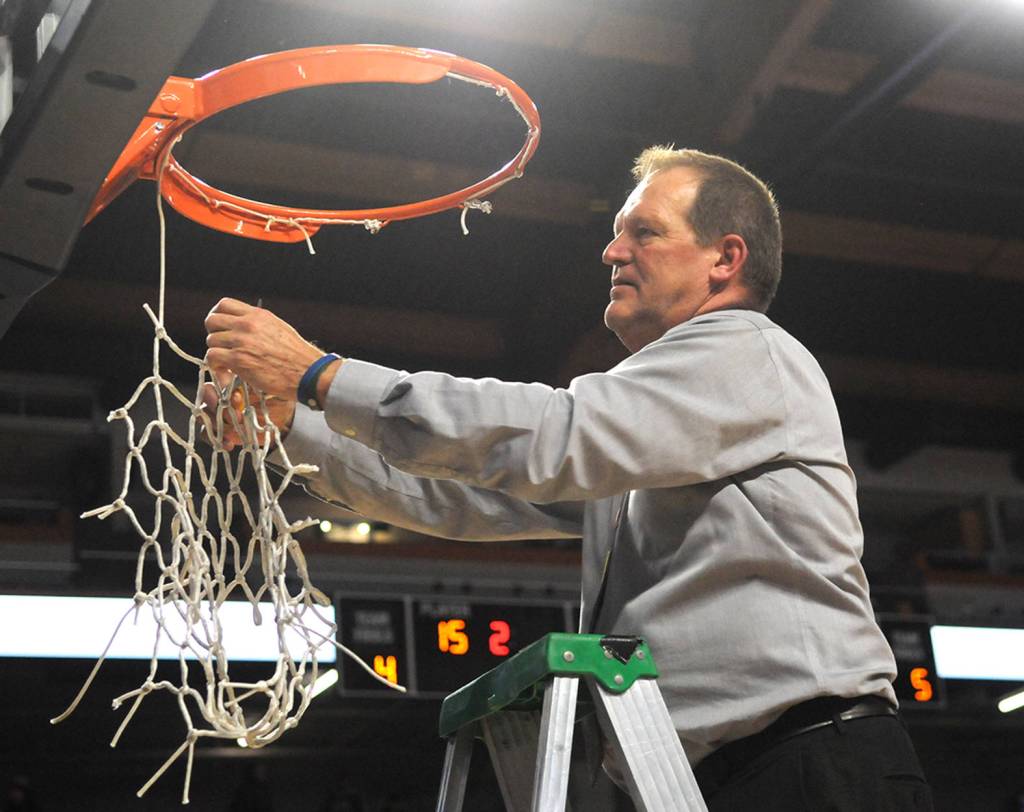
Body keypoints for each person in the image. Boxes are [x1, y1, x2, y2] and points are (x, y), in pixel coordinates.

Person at [203, 147, 933, 809]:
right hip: (706, 781)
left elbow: (553, 433)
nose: (612, 249)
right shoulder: (658, 430)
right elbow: (466, 493)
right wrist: (290, 429)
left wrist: (324, 377)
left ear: (724, 258)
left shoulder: (745, 350)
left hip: (812, 767)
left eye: (643, 232)